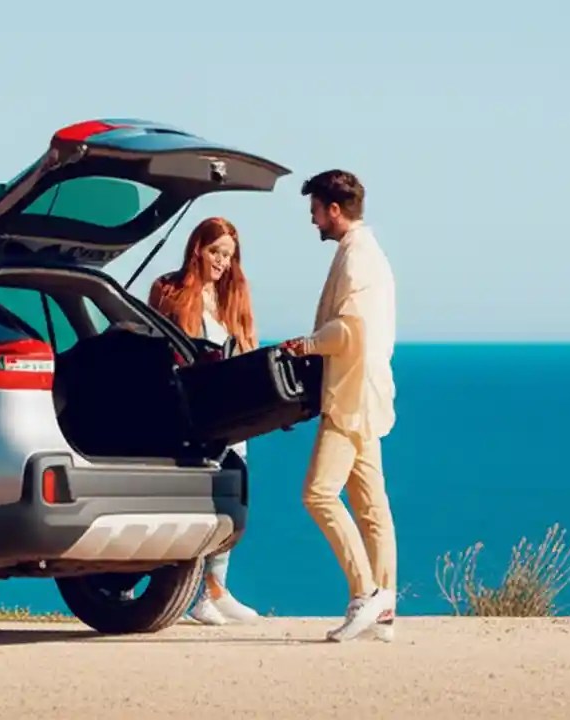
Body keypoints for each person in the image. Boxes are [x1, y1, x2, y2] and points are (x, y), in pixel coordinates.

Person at [281, 169, 398, 643]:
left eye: (314, 210)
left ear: (333, 208)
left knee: (318, 494)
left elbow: (347, 332)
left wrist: (304, 346)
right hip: (366, 393)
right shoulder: (368, 254)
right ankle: (384, 609)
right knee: (371, 506)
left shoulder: (356, 259)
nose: (312, 221)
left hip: (350, 398)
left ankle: (364, 594)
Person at [148, 215, 261, 626]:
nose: (222, 263)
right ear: (198, 248)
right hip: (187, 411)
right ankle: (175, 589)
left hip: (230, 413)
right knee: (188, 499)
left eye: (229, 256)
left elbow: (248, 349)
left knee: (231, 497)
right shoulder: (169, 290)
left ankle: (214, 590)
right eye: (216, 252)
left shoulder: (235, 295)